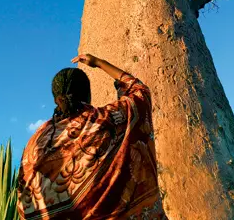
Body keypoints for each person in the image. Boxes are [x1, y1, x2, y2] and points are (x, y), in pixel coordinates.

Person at [17, 53, 167, 220]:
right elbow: (140, 92)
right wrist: (99, 62)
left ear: (55, 99)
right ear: (87, 94)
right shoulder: (106, 120)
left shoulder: (37, 141)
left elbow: (25, 197)